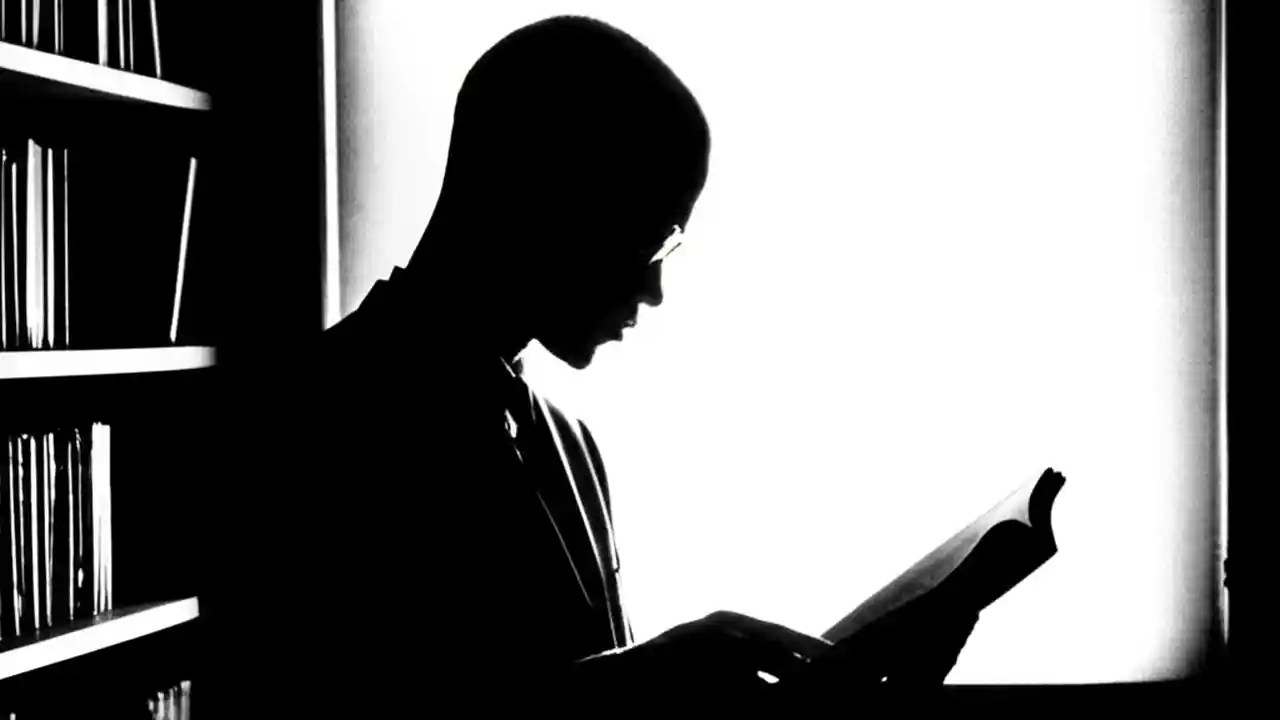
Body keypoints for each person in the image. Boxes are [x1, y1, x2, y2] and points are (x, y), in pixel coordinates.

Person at [203, 14, 978, 711]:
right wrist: (640, 681)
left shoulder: (573, 449)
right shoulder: (298, 426)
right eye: (651, 235)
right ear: (542, 198)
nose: (656, 287)